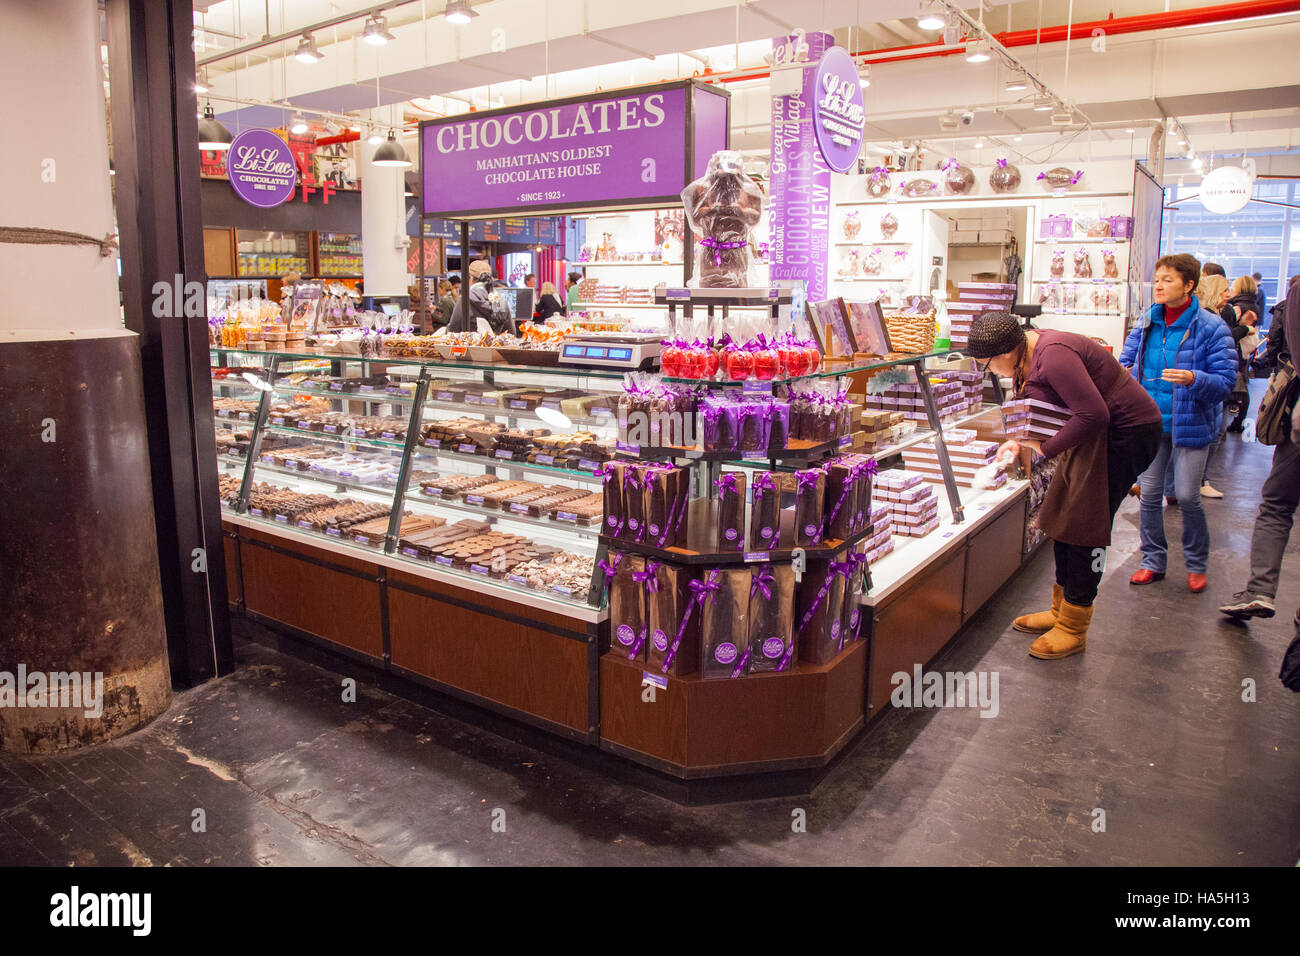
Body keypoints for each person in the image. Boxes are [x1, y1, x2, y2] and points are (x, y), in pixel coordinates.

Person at [970, 313, 1162, 660]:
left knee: (1086, 525)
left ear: (1006, 350)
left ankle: (1075, 624)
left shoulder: (1054, 355)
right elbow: (1035, 408)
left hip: (1125, 435)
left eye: (987, 365)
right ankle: (1061, 611)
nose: (989, 371)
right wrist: (1017, 442)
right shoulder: (1029, 353)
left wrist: (1044, 448)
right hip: (1092, 438)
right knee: (1061, 516)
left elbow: (1095, 415)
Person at [1121, 254, 1237, 594]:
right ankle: (1152, 561)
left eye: (1168, 279)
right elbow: (1125, 363)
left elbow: (1225, 382)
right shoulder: (1146, 322)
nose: (1159, 285)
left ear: (1189, 285)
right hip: (1151, 424)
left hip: (1192, 425)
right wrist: (1123, 375)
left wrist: (1192, 378)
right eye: (1157, 279)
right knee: (1149, 495)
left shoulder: (1212, 327)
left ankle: (1197, 562)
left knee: (1187, 496)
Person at [1220, 277, 1300, 623]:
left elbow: (1282, 349)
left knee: (1277, 506)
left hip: (1297, 424)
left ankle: (1260, 590)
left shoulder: (1295, 295)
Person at [1194, 273, 1232, 498]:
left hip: (1207, 385)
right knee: (1210, 435)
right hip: (1201, 389)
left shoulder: (1213, 318)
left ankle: (1198, 480)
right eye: (1225, 290)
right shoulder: (1209, 319)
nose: (1229, 295)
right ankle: (1198, 481)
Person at [1224, 275, 1261, 432]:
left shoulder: (1237, 307)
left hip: (1236, 349)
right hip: (1246, 350)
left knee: (1236, 386)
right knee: (1242, 384)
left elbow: (1230, 334)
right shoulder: (1254, 304)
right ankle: (1238, 421)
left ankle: (1232, 423)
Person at [449, 260, 510, 333]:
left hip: (471, 344)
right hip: (497, 343)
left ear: (470, 278)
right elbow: (511, 332)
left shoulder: (464, 300)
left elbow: (453, 330)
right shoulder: (500, 300)